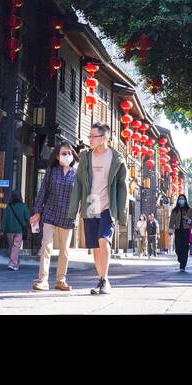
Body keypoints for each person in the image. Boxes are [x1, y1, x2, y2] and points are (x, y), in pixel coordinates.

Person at [68, 122, 128, 295]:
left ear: (104, 138)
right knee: (94, 246)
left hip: (108, 208)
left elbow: (122, 187)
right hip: (90, 206)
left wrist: (121, 214)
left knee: (103, 240)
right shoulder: (85, 157)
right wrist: (73, 210)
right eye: (90, 136)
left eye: (93, 136)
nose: (90, 140)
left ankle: (105, 279)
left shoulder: (117, 158)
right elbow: (78, 184)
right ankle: (100, 279)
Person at [30, 142, 78, 291]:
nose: (67, 156)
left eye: (69, 153)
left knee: (64, 250)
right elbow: (42, 191)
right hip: (50, 213)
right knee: (46, 246)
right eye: (64, 153)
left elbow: (81, 196)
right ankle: (43, 280)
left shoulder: (77, 174)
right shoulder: (51, 171)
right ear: (57, 156)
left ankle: (60, 280)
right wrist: (37, 212)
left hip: (67, 215)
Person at [2, 190, 30, 271]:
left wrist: (2, 229)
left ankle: (14, 263)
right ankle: (13, 263)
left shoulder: (9, 207)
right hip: (19, 230)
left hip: (9, 230)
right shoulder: (23, 206)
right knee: (16, 247)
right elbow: (27, 217)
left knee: (11, 247)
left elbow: (4, 219)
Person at [169, 194, 192, 270]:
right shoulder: (174, 210)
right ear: (178, 200)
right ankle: (180, 258)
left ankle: (183, 264)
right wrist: (170, 229)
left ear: (185, 200)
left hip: (186, 230)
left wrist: (187, 219)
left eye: (182, 199)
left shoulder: (189, 210)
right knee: (178, 247)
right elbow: (171, 221)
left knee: (185, 247)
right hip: (178, 230)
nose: (181, 200)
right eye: (180, 199)